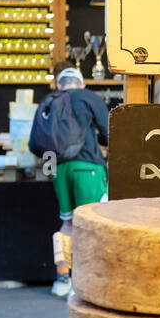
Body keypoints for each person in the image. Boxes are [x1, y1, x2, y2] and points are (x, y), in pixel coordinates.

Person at [29, 66, 109, 297]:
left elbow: (35, 143)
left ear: (59, 84)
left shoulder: (48, 101)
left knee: (68, 223)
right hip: (87, 167)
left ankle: (62, 279)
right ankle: (85, 283)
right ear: (81, 84)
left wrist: (51, 169)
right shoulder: (89, 97)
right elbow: (108, 132)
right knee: (92, 225)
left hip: (59, 169)